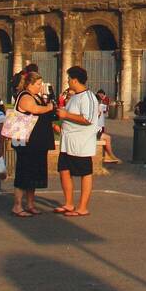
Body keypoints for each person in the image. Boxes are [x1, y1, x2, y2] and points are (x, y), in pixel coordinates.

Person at [54, 66, 99, 216]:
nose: (67, 81)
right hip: (67, 141)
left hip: (82, 142)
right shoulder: (74, 97)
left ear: (74, 80)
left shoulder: (89, 97)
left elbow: (88, 119)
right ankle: (69, 203)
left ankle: (83, 207)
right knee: (64, 171)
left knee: (85, 173)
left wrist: (66, 115)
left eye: (68, 78)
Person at [11, 72, 56, 217]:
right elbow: (35, 110)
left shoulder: (37, 96)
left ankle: (30, 204)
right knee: (24, 172)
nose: (40, 87)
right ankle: (17, 205)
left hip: (37, 142)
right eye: (37, 84)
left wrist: (48, 100)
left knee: (34, 174)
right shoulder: (25, 96)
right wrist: (48, 107)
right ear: (29, 84)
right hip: (27, 142)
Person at [95, 90, 121, 166]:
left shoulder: (97, 106)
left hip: (96, 128)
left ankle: (108, 155)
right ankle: (110, 155)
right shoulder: (97, 107)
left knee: (106, 137)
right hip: (92, 131)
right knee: (107, 138)